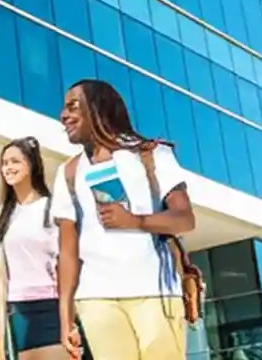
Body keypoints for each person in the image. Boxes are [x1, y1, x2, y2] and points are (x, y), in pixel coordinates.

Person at [50, 79, 196, 360]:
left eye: (72, 106)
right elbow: (67, 251)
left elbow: (185, 218)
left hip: (154, 292)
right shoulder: (67, 172)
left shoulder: (150, 154)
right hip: (96, 297)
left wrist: (136, 221)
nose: (63, 115)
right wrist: (66, 315)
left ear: (97, 109)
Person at [0, 138, 68, 360]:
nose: (8, 168)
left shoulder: (53, 208)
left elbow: (67, 262)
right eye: (4, 163)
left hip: (52, 306)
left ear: (31, 165)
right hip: (17, 309)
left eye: (15, 161)